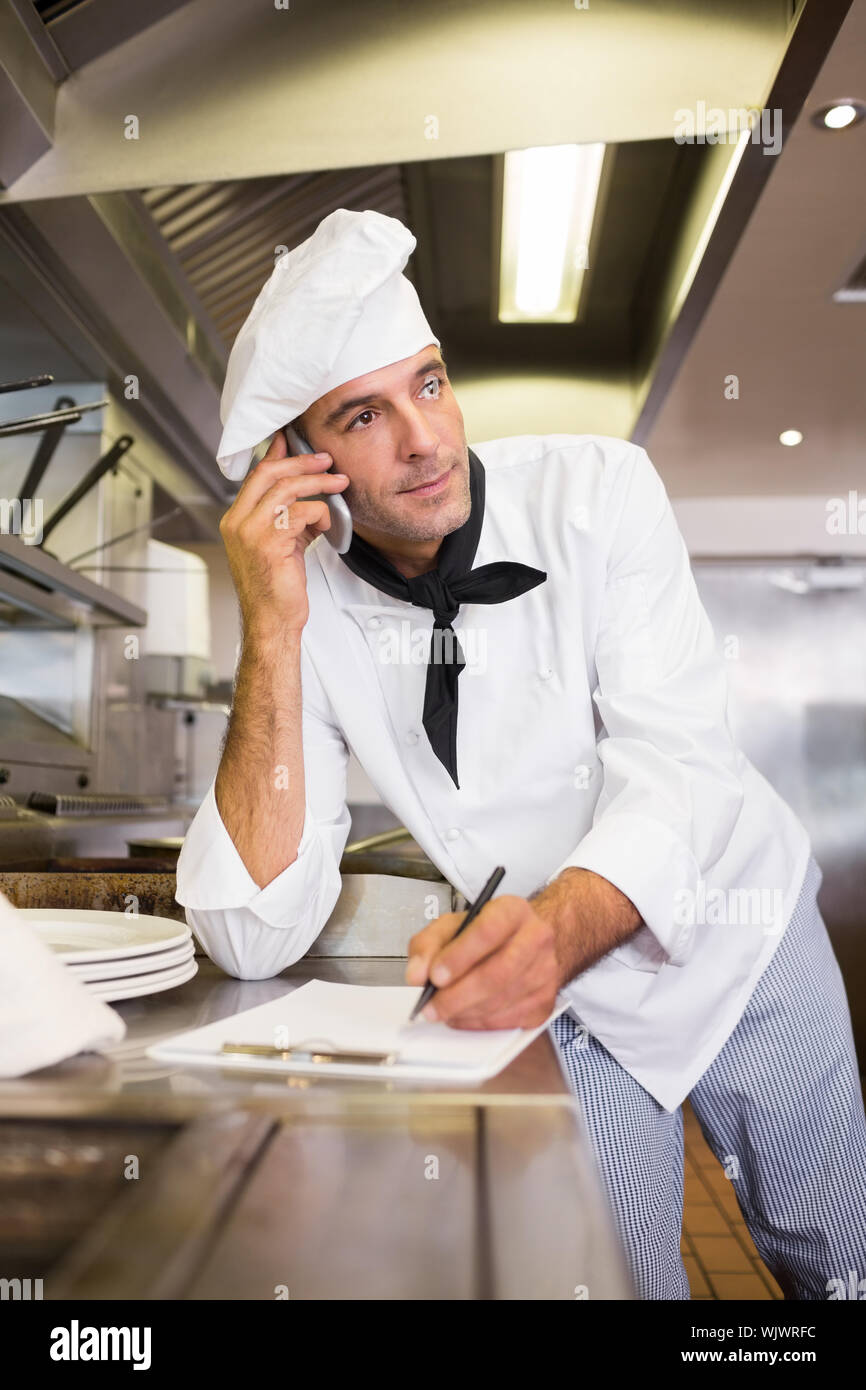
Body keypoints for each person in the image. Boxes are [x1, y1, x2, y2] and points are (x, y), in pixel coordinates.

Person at [176, 208, 866, 1300]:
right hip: (560, 997)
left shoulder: (599, 493)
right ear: (298, 463)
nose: (425, 439)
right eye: (365, 414)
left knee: (838, 1271)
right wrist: (269, 624)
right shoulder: (303, 614)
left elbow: (680, 767)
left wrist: (550, 931)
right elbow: (252, 935)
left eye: (431, 383)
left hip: (736, 938)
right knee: (615, 1280)